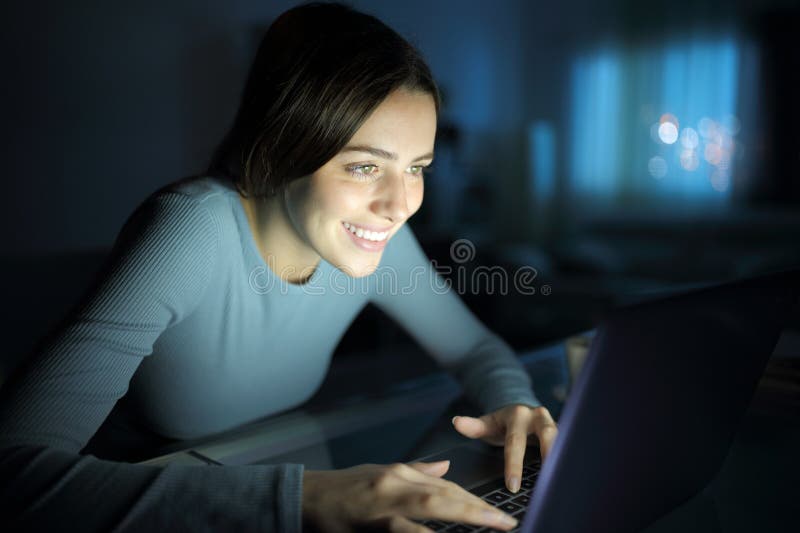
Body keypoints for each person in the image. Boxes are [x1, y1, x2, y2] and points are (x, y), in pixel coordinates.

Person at [0, 2, 557, 531]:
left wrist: (514, 404)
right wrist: (303, 498)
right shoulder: (191, 231)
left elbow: (474, 349)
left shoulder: (376, 236)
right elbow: (13, 475)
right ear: (284, 148)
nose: (400, 204)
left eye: (417, 168)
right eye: (365, 167)